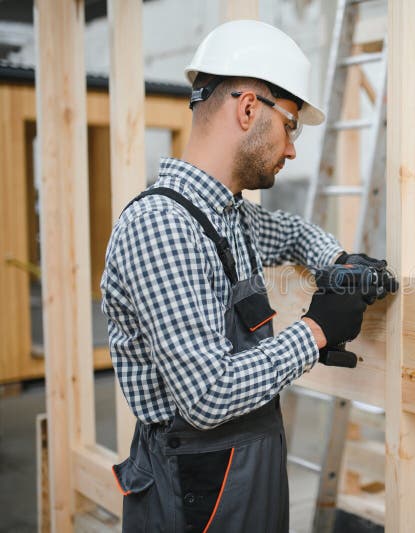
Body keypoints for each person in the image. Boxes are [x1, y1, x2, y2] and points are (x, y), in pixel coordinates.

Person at [101, 20, 391, 532]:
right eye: (291, 126)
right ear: (249, 108)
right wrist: (316, 330)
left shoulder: (231, 216)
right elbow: (208, 394)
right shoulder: (161, 228)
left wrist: (341, 264)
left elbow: (296, 234)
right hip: (192, 496)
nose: (293, 148)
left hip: (243, 477)